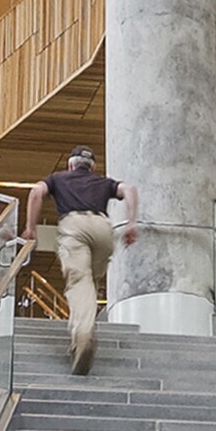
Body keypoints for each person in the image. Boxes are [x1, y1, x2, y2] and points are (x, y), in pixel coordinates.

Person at [21, 146, 139, 373]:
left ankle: (83, 337)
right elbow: (130, 189)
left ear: (71, 165)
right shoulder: (103, 182)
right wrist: (132, 222)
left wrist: (31, 229)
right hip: (103, 229)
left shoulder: (58, 178)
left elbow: (36, 193)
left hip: (74, 226)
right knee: (90, 285)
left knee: (79, 283)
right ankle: (78, 337)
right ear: (92, 167)